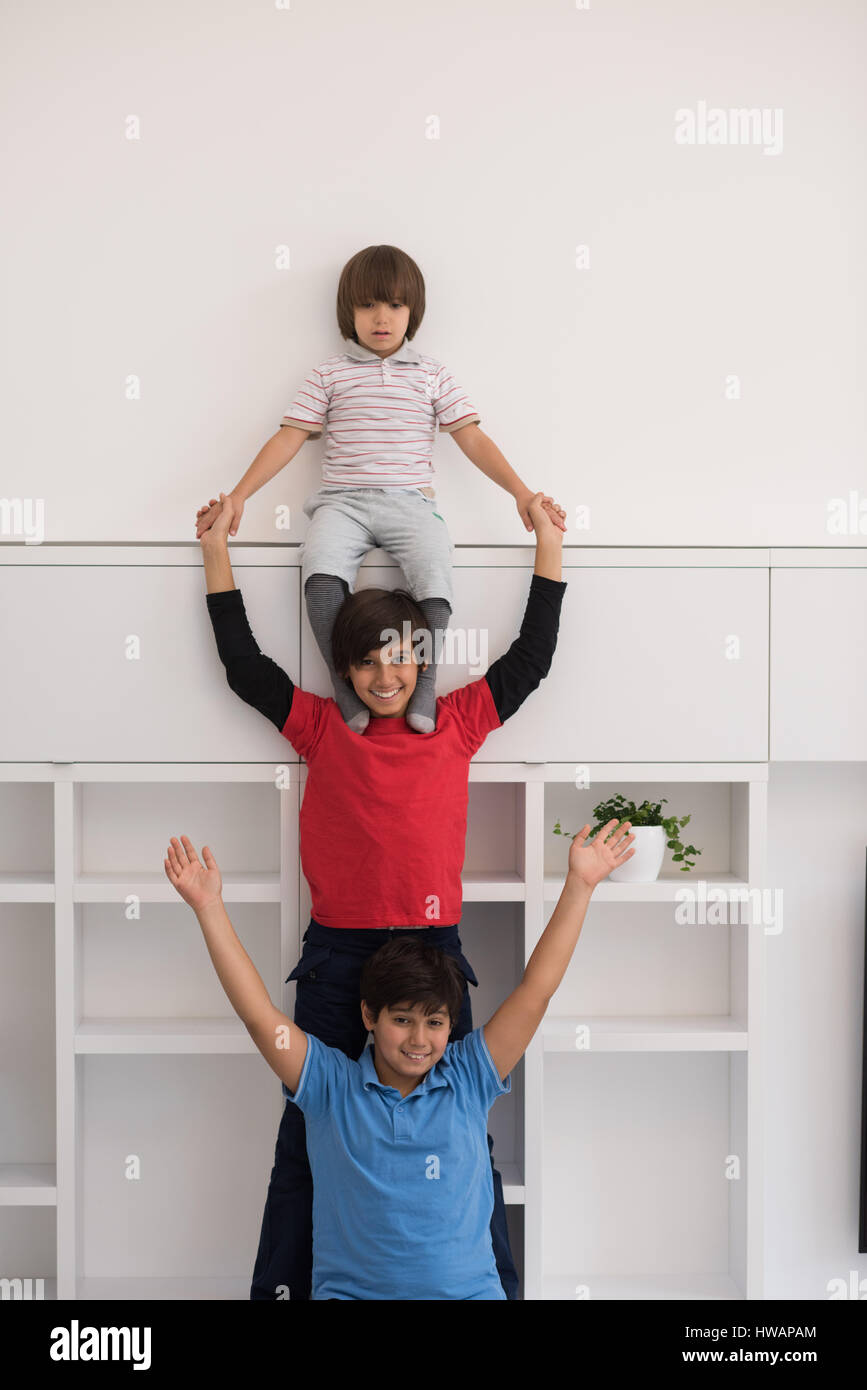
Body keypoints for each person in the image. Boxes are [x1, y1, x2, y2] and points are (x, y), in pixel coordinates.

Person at [200, 489, 567, 1299]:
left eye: (400, 655)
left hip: (435, 951)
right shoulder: (321, 727)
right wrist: (216, 552)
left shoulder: (458, 722)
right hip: (340, 955)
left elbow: (530, 659)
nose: (384, 673)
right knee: (305, 1143)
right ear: (344, 668)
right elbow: (244, 669)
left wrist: (546, 541)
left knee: (468, 1138)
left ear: (423, 657)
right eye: (365, 660)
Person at [163, 815, 635, 1299]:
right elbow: (259, 1016)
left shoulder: (469, 1076)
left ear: (451, 1026)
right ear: (369, 1014)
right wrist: (209, 908)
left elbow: (537, 991)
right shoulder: (330, 1087)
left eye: (434, 1023)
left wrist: (580, 885)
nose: (418, 1039)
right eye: (402, 1019)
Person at [194, 242, 566, 733]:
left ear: (413, 311)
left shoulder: (432, 375)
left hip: (410, 503)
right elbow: (289, 438)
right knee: (319, 574)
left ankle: (424, 683)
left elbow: (471, 438)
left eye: (394, 304)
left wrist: (520, 493)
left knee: (436, 574)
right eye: (367, 305)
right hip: (342, 505)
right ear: (349, 312)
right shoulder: (329, 374)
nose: (381, 317)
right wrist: (240, 495)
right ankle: (345, 685)